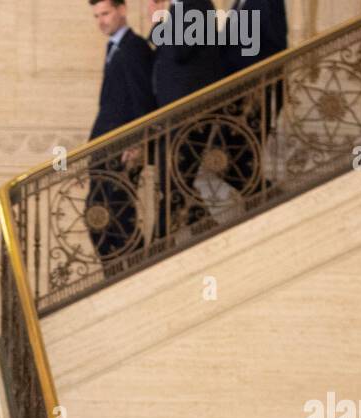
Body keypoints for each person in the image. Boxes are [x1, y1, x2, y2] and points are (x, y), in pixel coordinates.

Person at [86, 0, 156, 267]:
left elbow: (142, 99)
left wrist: (138, 143)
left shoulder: (134, 48)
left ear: (122, 10)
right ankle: (119, 273)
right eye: (96, 16)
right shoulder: (114, 47)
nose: (101, 21)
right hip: (105, 149)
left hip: (121, 149)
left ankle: (131, 272)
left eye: (105, 13)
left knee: (111, 215)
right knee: (104, 216)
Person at [148, 0, 226, 238]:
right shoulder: (179, 7)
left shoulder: (196, 4)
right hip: (176, 114)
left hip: (190, 113)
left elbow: (180, 49)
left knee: (173, 183)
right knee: (174, 182)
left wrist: (161, 21)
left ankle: (155, 248)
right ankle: (210, 229)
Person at [217, 0, 288, 205]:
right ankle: (266, 201)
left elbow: (276, 44)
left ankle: (271, 204)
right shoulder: (238, 2)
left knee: (241, 159)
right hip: (235, 93)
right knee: (229, 162)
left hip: (255, 94)